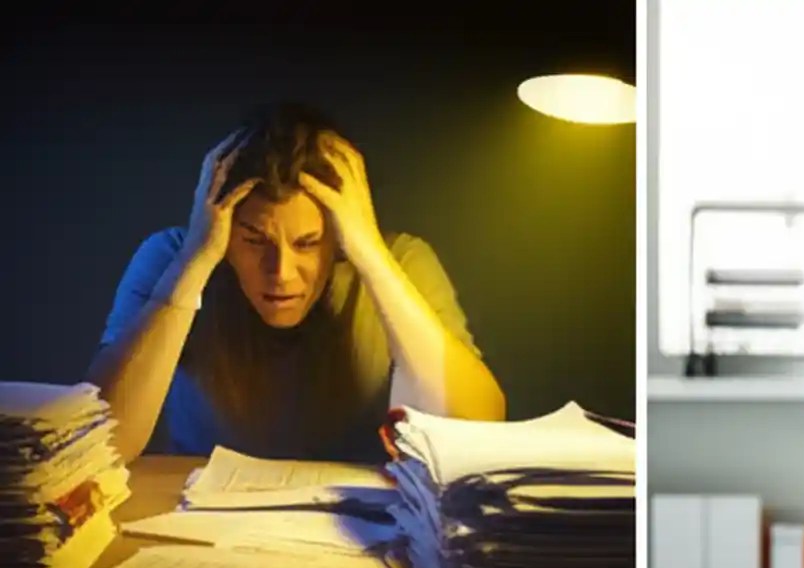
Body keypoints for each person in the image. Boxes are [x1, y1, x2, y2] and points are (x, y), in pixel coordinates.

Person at [87, 103, 505, 465]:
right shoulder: (172, 258)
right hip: (201, 520)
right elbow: (102, 442)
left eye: (308, 243)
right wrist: (197, 257)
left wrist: (370, 255)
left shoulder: (402, 261)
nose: (281, 271)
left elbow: (478, 428)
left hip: (359, 528)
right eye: (254, 241)